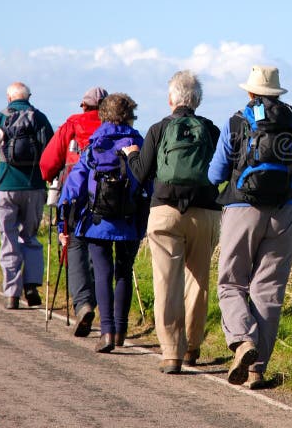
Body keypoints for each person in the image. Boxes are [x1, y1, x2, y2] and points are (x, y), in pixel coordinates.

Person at [208, 65, 292, 388]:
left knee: (231, 283)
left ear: (250, 91)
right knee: (268, 290)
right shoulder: (291, 123)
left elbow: (215, 175)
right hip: (284, 211)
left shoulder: (236, 122)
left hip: (241, 209)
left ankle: (243, 341)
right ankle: (257, 371)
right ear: (277, 93)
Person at [123, 70, 221, 374]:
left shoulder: (158, 129)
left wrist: (132, 154)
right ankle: (191, 346)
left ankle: (171, 353)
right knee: (198, 281)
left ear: (170, 100)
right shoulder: (212, 130)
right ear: (198, 101)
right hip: (205, 211)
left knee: (166, 282)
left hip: (165, 211)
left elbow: (141, 173)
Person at [58, 93, 150, 353]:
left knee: (102, 273)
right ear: (130, 115)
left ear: (104, 115)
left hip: (97, 221)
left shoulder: (94, 145)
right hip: (130, 220)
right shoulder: (139, 144)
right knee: (124, 272)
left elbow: (74, 185)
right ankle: (120, 331)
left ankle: (107, 332)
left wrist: (63, 220)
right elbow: (149, 183)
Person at [0, 82, 54, 309]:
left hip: (4, 187)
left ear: (9, 98)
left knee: (8, 239)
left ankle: (12, 293)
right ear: (29, 97)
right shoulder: (40, 118)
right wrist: (49, 181)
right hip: (34, 188)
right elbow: (52, 152)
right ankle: (31, 285)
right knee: (30, 237)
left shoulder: (0, 118)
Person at [39, 86, 107, 337]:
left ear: (84, 105)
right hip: (107, 199)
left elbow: (48, 163)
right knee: (100, 248)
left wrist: (49, 176)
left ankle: (83, 304)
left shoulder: (72, 124)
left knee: (75, 246)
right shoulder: (113, 126)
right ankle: (98, 305)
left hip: (75, 196)